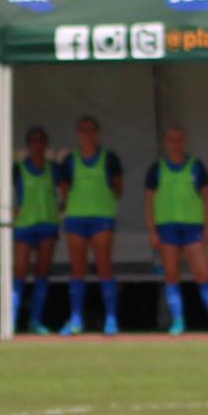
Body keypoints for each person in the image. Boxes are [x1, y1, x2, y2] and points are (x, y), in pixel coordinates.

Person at [147, 124, 208, 336]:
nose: (175, 144)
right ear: (166, 143)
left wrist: (207, 227)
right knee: (171, 274)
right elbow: (149, 203)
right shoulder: (157, 169)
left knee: (202, 273)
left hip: (193, 227)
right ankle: (177, 321)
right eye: (171, 139)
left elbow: (206, 199)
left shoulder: (196, 167)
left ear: (184, 141)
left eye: (179, 139)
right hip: (167, 227)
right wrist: (152, 231)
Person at [58, 116, 124, 337]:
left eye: (91, 129)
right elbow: (64, 190)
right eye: (83, 129)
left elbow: (118, 188)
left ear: (98, 132)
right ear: (77, 132)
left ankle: (111, 319)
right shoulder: (69, 160)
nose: (87, 133)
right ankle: (76, 319)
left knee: (104, 266)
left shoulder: (109, 158)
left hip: (102, 218)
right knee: (78, 269)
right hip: (76, 218)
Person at [11, 125, 61, 335]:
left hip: (47, 225)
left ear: (46, 144)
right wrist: (10, 208)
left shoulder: (53, 169)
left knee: (42, 272)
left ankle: (35, 320)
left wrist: (59, 208)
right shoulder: (18, 169)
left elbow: (67, 193)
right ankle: (10, 321)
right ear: (28, 145)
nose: (37, 144)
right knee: (20, 270)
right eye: (33, 141)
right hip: (24, 225)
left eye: (41, 140)